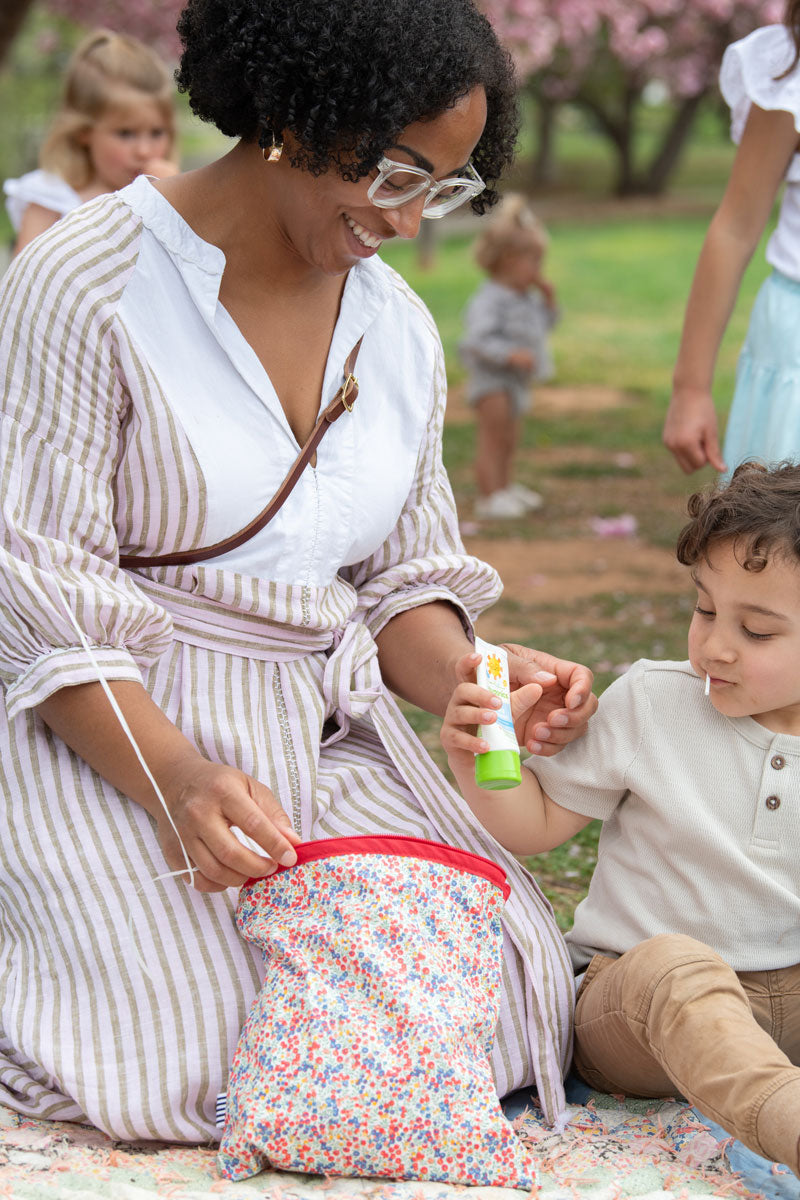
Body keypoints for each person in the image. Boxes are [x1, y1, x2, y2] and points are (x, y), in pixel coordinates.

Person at [0, 0, 598, 1145]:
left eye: (443, 186)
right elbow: (37, 585)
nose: (411, 219)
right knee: (199, 1053)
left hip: (320, 725)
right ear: (291, 112)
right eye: (392, 172)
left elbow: (400, 580)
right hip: (118, 727)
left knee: (500, 983)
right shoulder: (83, 281)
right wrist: (174, 779)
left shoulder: (399, 327)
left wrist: (476, 677)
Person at [442, 458, 800, 1177]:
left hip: (783, 994)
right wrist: (480, 753)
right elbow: (533, 825)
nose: (715, 644)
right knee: (677, 965)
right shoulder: (653, 704)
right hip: (632, 1002)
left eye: (756, 630)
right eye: (704, 610)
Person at [664, 3, 800, 476]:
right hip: (793, 350)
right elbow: (736, 226)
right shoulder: (791, 66)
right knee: (779, 543)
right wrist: (691, 388)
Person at [4, 29, 178, 257]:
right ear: (84, 132)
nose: (144, 151)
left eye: (157, 133)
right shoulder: (52, 198)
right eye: (125, 133)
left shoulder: (168, 192)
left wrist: (173, 204)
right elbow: (25, 282)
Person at [459, 193, 559, 519]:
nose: (538, 270)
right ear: (507, 260)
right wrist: (508, 354)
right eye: (534, 262)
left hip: (515, 382)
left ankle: (505, 487)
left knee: (509, 438)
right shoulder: (490, 299)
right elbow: (477, 340)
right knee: (493, 438)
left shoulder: (525, 297)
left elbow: (545, 327)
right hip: (492, 381)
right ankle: (490, 496)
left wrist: (548, 304)